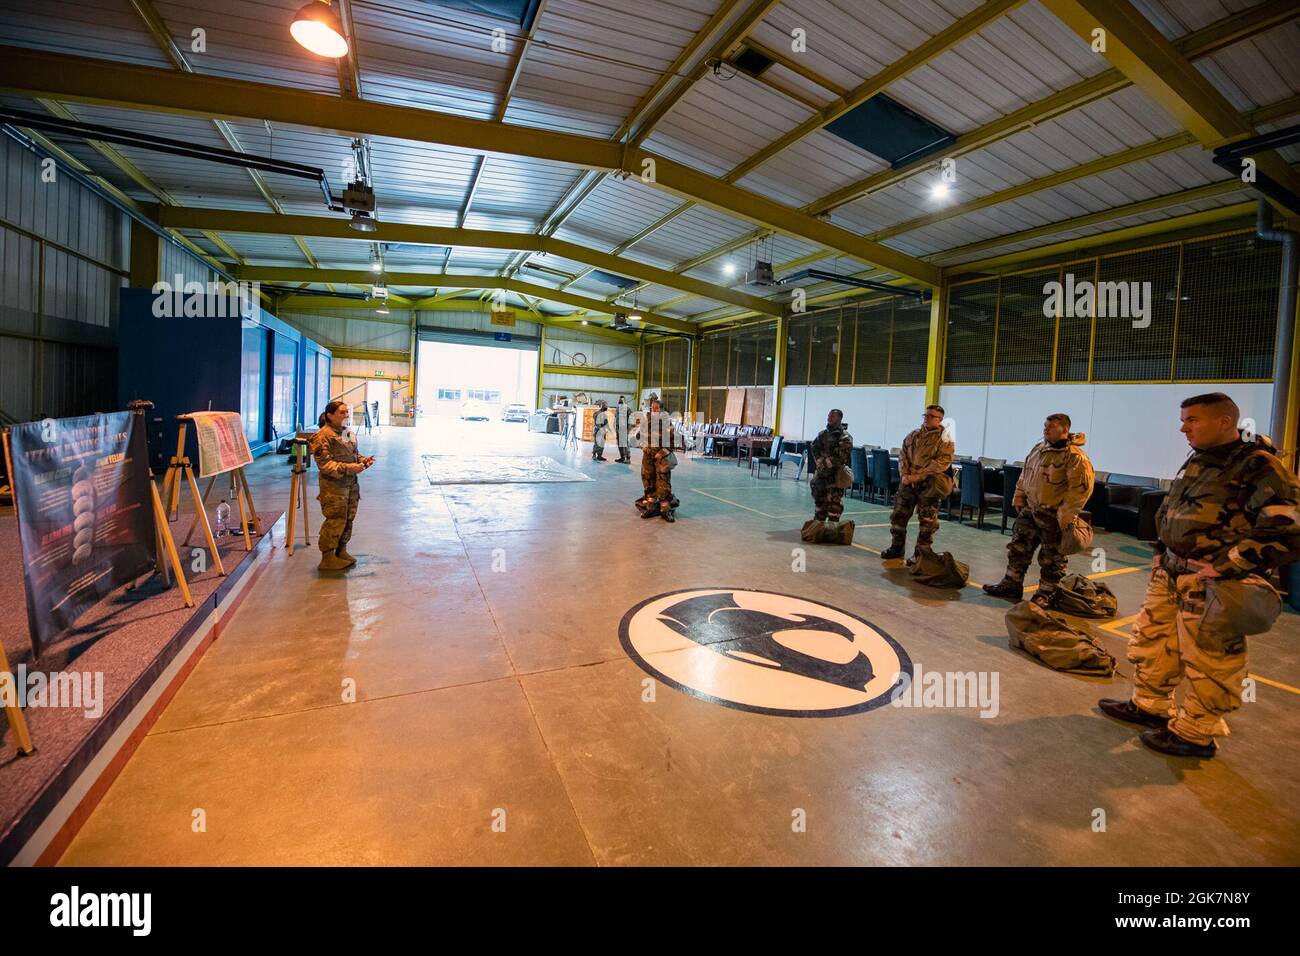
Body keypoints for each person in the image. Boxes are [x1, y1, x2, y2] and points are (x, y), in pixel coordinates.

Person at [1099, 393, 1300, 758]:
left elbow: (1287, 527)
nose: (1183, 427)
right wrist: (1161, 552)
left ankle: (1196, 731)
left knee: (1211, 658)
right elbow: (1176, 510)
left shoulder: (1258, 466)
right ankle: (1151, 705)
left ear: (1225, 422)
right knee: (1154, 642)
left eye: (1192, 420)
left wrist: (1229, 565)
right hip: (1172, 573)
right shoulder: (1200, 459)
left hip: (1212, 584)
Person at [984, 413, 1094, 603]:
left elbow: (1080, 490)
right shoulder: (1038, 449)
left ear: (1064, 430)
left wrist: (1065, 514)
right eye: (1045, 426)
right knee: (1018, 548)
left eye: (1050, 427)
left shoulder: (1075, 457)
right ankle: (1011, 584)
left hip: (1053, 515)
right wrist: (1019, 497)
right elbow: (1025, 474)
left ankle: (1046, 593)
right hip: (1031, 510)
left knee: (1052, 557)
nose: (1045, 430)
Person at [883, 404, 954, 561]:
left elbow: (942, 462)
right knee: (899, 515)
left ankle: (920, 554)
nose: (926, 418)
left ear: (940, 420)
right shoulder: (914, 435)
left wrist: (919, 476)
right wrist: (905, 475)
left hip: (929, 483)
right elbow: (903, 455)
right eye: (925, 415)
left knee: (927, 521)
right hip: (908, 482)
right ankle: (897, 547)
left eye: (931, 416)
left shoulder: (945, 439)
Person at [311, 400, 374, 572]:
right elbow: (324, 464)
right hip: (334, 487)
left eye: (347, 412)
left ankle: (341, 550)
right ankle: (328, 557)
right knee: (335, 519)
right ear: (330, 416)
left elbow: (352, 453)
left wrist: (362, 460)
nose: (346, 415)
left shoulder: (346, 432)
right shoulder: (322, 436)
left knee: (348, 517)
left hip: (351, 484)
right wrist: (349, 468)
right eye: (342, 412)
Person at [637, 397, 681, 522]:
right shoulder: (646, 421)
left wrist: (662, 453)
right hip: (647, 457)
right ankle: (650, 507)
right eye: (653, 408)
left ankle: (665, 511)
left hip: (661, 459)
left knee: (663, 485)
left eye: (657, 408)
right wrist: (643, 447)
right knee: (648, 481)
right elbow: (638, 436)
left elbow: (675, 441)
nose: (654, 410)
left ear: (661, 410)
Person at [809, 408, 853, 524]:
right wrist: (818, 459)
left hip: (836, 475)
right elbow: (814, 446)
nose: (829, 418)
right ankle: (818, 526)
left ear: (839, 419)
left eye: (832, 416)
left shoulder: (845, 437)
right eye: (828, 415)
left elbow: (843, 456)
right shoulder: (823, 434)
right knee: (820, 501)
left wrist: (827, 462)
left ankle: (833, 529)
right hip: (822, 474)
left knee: (834, 505)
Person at [614, 396, 632, 463]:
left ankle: (628, 458)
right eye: (620, 402)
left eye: (622, 401)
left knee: (625, 444)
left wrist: (629, 429)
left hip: (624, 428)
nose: (620, 403)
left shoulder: (627, 409)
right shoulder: (617, 409)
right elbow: (616, 418)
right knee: (619, 443)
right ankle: (622, 457)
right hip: (618, 429)